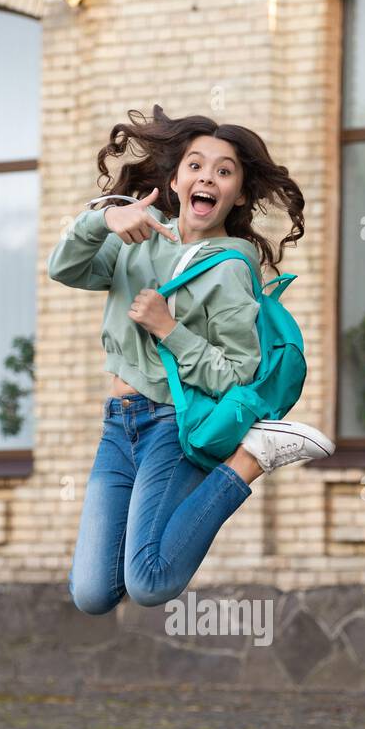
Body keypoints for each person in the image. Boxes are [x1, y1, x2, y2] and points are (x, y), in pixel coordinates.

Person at [47, 104, 333, 614]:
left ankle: (251, 459)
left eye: (224, 171)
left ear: (239, 193)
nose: (208, 177)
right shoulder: (138, 235)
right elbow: (64, 268)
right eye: (196, 166)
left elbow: (235, 375)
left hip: (171, 425)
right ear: (175, 180)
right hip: (118, 425)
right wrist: (104, 219)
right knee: (92, 595)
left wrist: (169, 330)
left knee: (152, 582)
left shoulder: (230, 271)